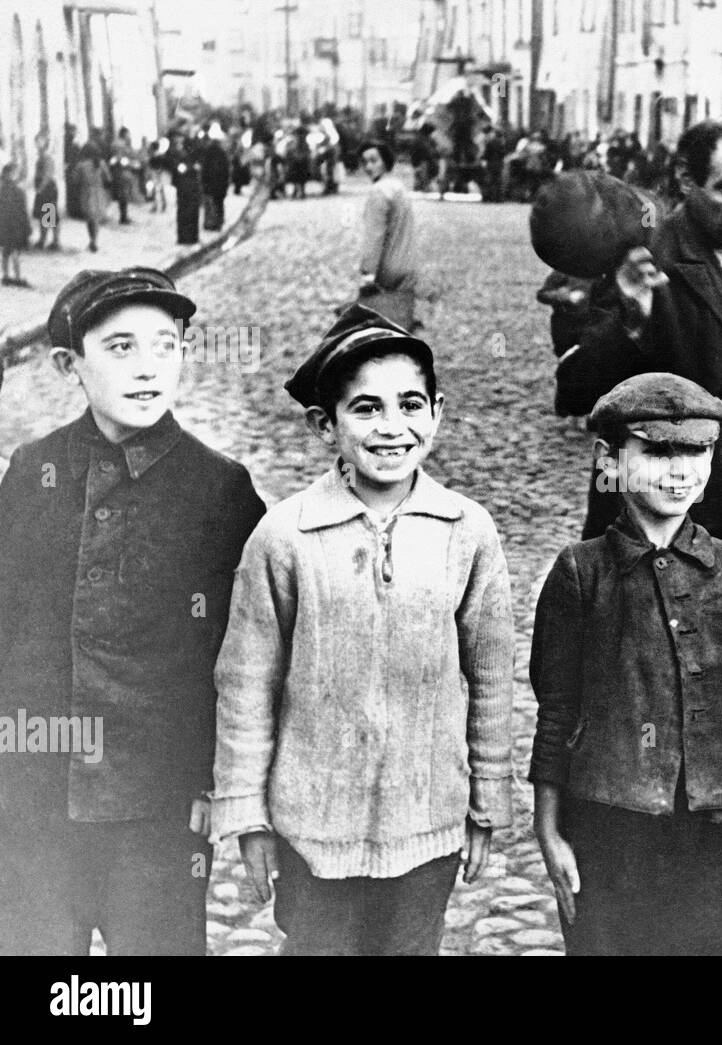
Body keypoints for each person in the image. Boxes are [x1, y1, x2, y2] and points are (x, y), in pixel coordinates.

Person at [211, 304, 515, 956]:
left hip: (426, 822)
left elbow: (490, 677)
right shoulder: (285, 537)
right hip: (313, 825)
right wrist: (247, 814)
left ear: (438, 410)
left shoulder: (467, 531)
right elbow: (246, 683)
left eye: (411, 404)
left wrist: (486, 801)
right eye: (366, 409)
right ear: (326, 424)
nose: (392, 428)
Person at [0, 268, 265, 955]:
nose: (148, 367)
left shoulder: (219, 489)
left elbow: (246, 660)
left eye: (166, 344)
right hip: (35, 803)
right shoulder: (33, 470)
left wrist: (217, 782)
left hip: (160, 807)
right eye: (120, 348)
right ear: (69, 364)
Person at [529, 372, 722, 955]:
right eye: (658, 451)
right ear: (611, 461)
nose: (680, 470)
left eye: (698, 451)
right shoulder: (580, 571)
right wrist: (548, 828)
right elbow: (556, 708)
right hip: (605, 824)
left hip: (706, 827)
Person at [555, 116, 722, 614]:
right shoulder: (647, 258)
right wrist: (632, 317)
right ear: (686, 180)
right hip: (658, 517)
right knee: (654, 669)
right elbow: (577, 387)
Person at [358, 140, 418, 330]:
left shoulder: (378, 192)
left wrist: (368, 273)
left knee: (379, 328)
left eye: (373, 160)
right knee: (401, 324)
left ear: (385, 161)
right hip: (407, 264)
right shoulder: (398, 188)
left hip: (387, 269)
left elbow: (374, 236)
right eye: (364, 162)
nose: (368, 167)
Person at [74, 143, 109, 253]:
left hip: (86, 192)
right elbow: (108, 178)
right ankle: (94, 240)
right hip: (99, 192)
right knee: (95, 219)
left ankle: (92, 240)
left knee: (89, 218)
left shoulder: (81, 165)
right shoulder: (101, 164)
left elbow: (75, 180)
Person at [0, 163, 32, 287]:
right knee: (16, 252)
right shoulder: (19, 192)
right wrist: (28, 228)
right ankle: (17, 276)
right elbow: (23, 211)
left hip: (4, 225)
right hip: (16, 226)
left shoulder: (1, 191)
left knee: (5, 252)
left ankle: (6, 275)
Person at [172, 135, 202, 246]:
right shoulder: (187, 157)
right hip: (189, 188)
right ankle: (189, 237)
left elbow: (177, 172)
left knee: (185, 213)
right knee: (189, 213)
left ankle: (186, 237)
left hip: (185, 189)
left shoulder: (183, 156)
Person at [200, 124, 231, 232]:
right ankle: (218, 222)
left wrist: (204, 182)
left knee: (211, 203)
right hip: (220, 183)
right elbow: (225, 169)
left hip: (210, 183)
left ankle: (211, 223)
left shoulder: (208, 152)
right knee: (218, 203)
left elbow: (205, 169)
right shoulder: (222, 153)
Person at [32, 152, 60, 251]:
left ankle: (53, 241)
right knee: (44, 215)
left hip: (47, 189)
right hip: (45, 188)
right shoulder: (41, 158)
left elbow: (47, 175)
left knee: (49, 215)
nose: (38, 144)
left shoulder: (47, 159)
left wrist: (40, 188)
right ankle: (44, 240)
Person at [108, 128, 136, 225]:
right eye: (128, 134)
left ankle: (124, 216)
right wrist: (131, 164)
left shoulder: (118, 143)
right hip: (122, 173)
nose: (130, 136)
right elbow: (120, 159)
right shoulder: (119, 145)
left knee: (124, 195)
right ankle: (123, 217)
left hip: (121, 172)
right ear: (124, 134)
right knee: (123, 195)